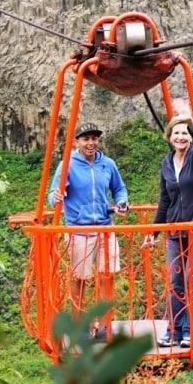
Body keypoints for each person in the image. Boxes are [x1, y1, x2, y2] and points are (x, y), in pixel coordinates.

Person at [47, 123, 129, 331]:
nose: (91, 143)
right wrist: (55, 196)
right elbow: (53, 195)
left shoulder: (107, 164)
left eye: (94, 138)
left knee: (107, 276)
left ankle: (103, 324)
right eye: (86, 139)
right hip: (79, 230)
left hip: (105, 227)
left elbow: (119, 188)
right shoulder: (68, 165)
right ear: (77, 142)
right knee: (80, 279)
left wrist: (122, 202)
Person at [144, 114, 193, 348]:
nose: (181, 137)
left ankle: (192, 331)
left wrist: (191, 123)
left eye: (185, 133)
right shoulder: (166, 163)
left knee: (191, 279)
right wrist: (153, 233)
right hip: (175, 231)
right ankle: (173, 330)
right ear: (169, 138)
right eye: (176, 133)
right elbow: (165, 201)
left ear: (191, 138)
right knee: (175, 281)